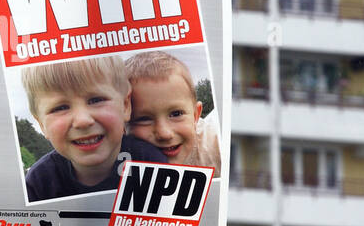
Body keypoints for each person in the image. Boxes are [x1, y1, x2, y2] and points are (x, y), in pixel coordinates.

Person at [21, 56, 166, 202]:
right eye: (60, 108)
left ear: (125, 106)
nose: (82, 121)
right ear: (41, 124)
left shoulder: (150, 164)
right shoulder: (38, 183)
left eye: (96, 100)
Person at [126, 49, 221, 176]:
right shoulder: (117, 164)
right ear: (122, 126)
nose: (164, 133)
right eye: (144, 119)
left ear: (195, 115)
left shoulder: (215, 141)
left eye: (176, 114)